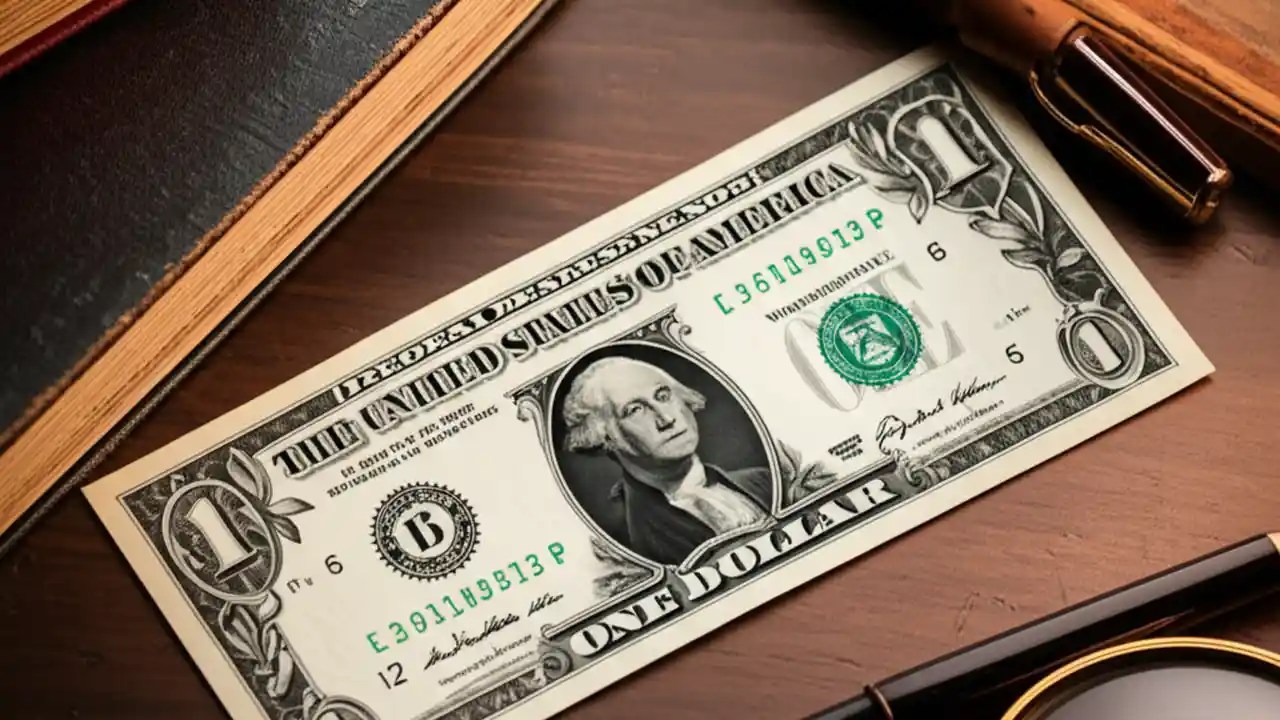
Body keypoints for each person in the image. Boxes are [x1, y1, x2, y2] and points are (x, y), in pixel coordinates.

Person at [563, 356, 771, 564]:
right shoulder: (626, 544)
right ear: (603, 437)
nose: (666, 419)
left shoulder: (763, 480)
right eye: (635, 410)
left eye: (663, 396)